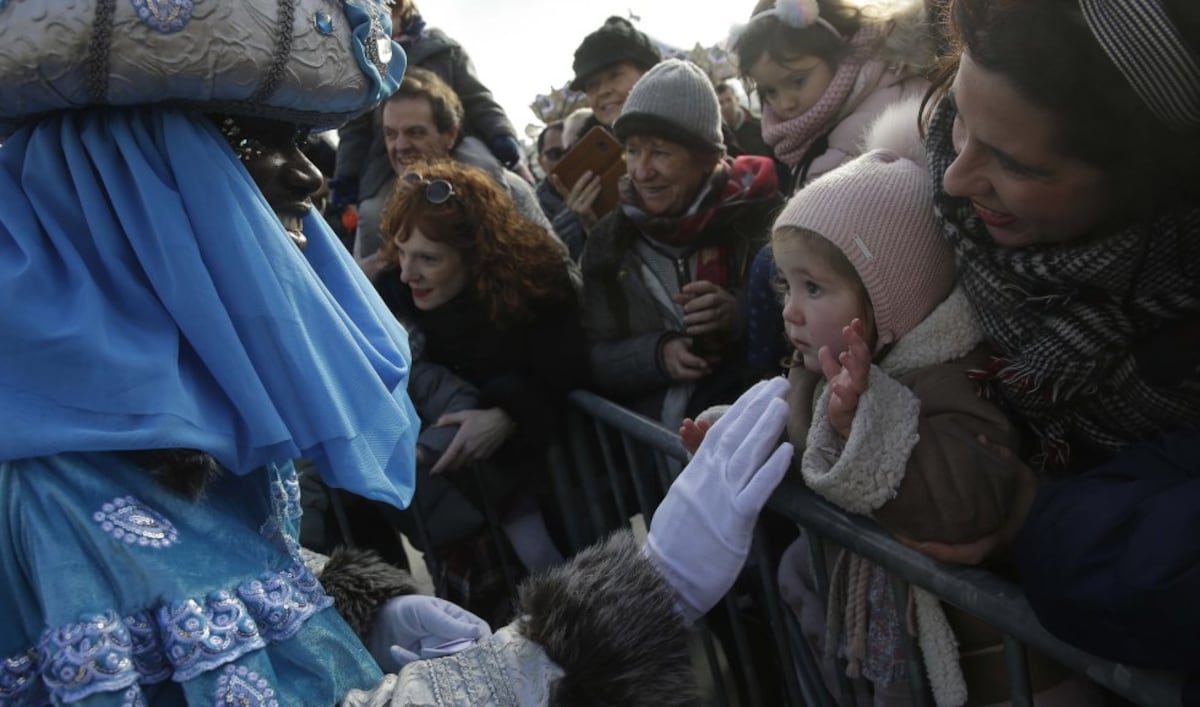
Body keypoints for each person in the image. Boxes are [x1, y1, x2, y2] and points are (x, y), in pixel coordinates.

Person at [0, 0, 422, 702]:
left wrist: (363, 608)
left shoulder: (187, 395)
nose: (308, 177)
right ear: (123, 187)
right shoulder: (54, 485)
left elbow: (218, 581)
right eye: (246, 142)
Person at [688, 106, 1101, 705]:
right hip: (897, 652)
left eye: (815, 287)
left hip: (994, 670)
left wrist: (870, 423)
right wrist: (729, 437)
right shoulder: (823, 372)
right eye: (786, 285)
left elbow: (968, 499)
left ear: (890, 301)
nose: (790, 311)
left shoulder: (953, 374)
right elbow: (792, 424)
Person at [912, 0, 1200, 679]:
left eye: (1017, 165)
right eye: (961, 120)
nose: (954, 178)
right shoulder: (917, 219)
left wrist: (1034, 517)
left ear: (1145, 182)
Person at [371, 159, 589, 626]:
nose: (408, 273)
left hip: (548, 490)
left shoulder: (536, 290)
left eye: (429, 258)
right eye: (401, 251)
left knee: (565, 601)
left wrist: (506, 413)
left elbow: (563, 367)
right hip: (451, 515)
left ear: (477, 255)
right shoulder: (391, 296)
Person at [732, 0, 939, 379]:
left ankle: (764, 381)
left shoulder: (868, 121)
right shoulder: (828, 117)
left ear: (840, 54)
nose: (785, 102)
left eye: (796, 80)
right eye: (770, 91)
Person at [579, 58, 783, 432]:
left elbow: (805, 319)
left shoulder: (760, 217)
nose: (641, 171)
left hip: (757, 434)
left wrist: (743, 311)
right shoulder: (608, 244)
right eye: (632, 150)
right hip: (665, 460)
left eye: (660, 151)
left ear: (706, 158)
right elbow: (591, 357)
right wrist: (657, 354)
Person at [330, 0, 529, 224]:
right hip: (387, 157)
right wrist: (346, 178)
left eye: (392, 4)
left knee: (487, 175)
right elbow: (355, 129)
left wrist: (501, 135)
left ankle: (500, 232)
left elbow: (478, 100)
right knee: (373, 214)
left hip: (454, 140)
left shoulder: (443, 49)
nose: (384, 11)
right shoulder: (365, 59)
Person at [352, 68, 553, 282]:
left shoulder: (507, 190)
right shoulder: (379, 209)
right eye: (391, 134)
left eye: (416, 132)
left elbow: (562, 273)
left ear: (450, 135)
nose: (400, 146)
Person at [551, 16, 664, 231]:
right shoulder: (587, 160)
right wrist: (593, 228)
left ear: (649, 73)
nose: (603, 91)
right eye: (592, 85)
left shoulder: (694, 131)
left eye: (615, 75)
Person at [534, 120, 589, 260]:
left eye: (572, 152)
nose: (565, 161)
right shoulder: (533, 208)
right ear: (541, 161)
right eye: (554, 154)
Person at [716, 80, 774, 159]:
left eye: (729, 100)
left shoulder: (758, 126)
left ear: (736, 99)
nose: (726, 106)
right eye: (721, 103)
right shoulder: (718, 136)